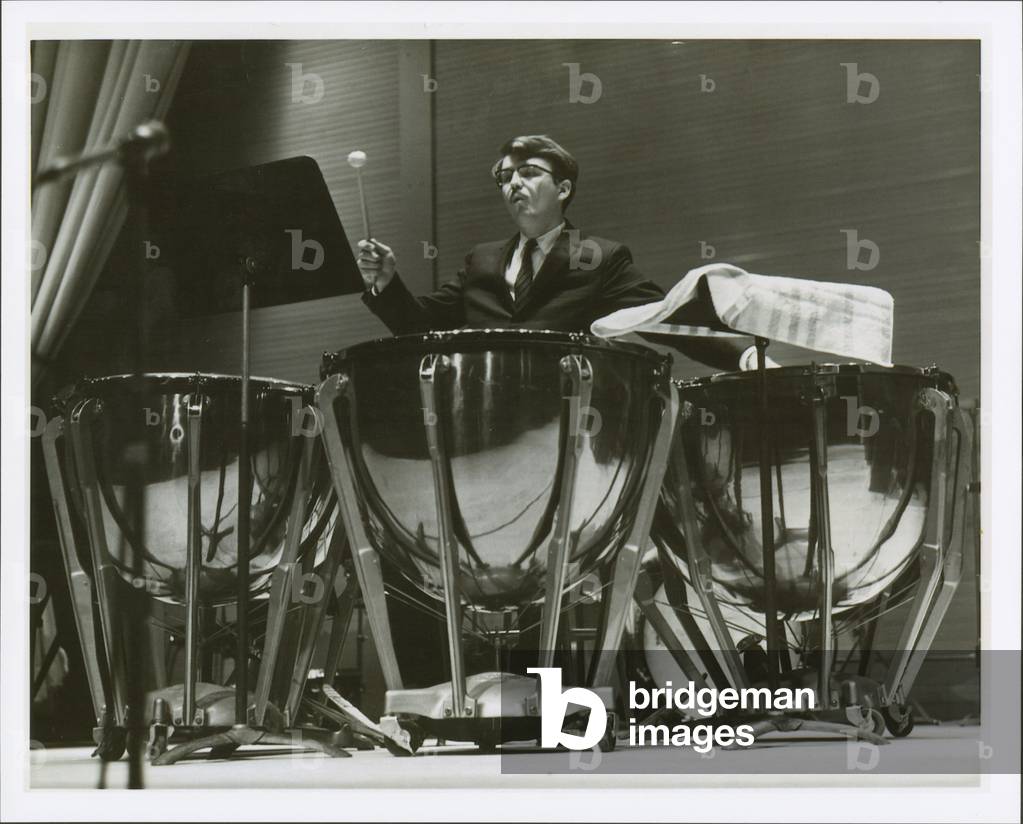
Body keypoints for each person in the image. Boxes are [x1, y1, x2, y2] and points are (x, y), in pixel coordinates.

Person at [357, 134, 748, 370]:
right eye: (505, 177)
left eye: (528, 172)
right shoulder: (482, 260)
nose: (513, 183)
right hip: (482, 424)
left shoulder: (597, 256)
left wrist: (744, 357)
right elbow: (420, 325)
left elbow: (663, 319)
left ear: (562, 190)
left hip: (566, 424)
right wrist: (386, 281)